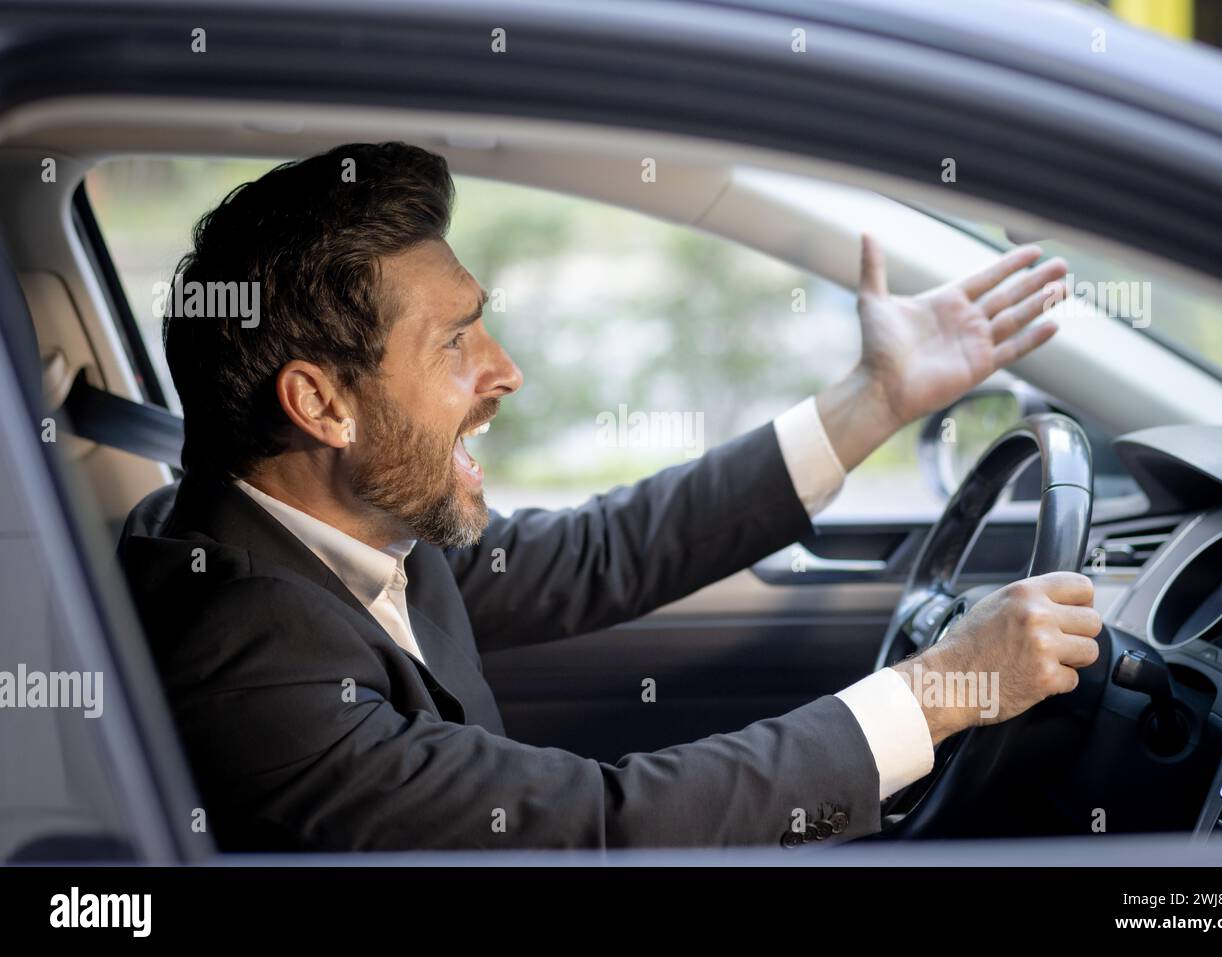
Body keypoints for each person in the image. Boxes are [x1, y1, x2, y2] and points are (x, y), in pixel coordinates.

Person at [120, 142, 1100, 851]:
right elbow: (598, 825)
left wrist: (872, 399)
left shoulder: (341, 532)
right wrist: (941, 690)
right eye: (455, 342)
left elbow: (604, 551)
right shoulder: (249, 664)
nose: (505, 371)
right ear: (320, 403)